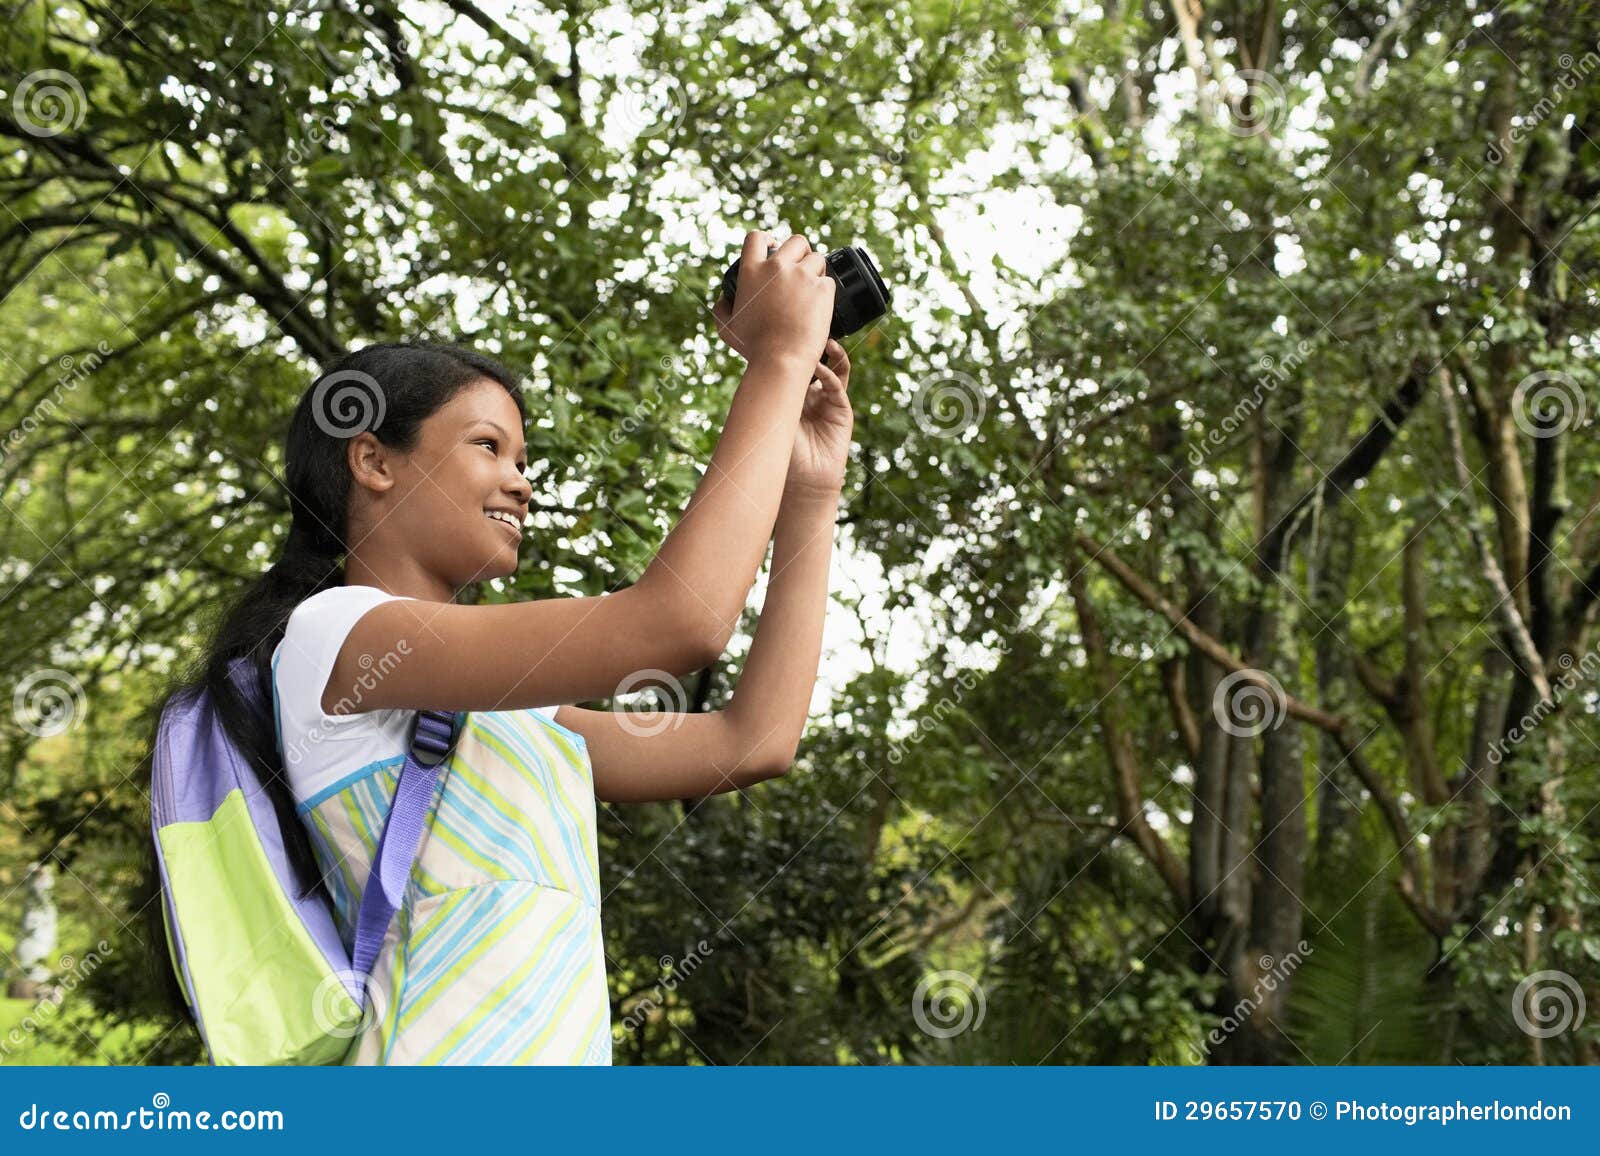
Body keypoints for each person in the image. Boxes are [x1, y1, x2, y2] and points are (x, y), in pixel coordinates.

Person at [152, 230, 852, 1064]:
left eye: (524, 457)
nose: (523, 480)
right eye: (488, 446)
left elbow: (753, 742)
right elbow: (679, 623)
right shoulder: (333, 637)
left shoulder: (506, 711)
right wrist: (774, 362)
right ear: (373, 460)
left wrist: (810, 496)